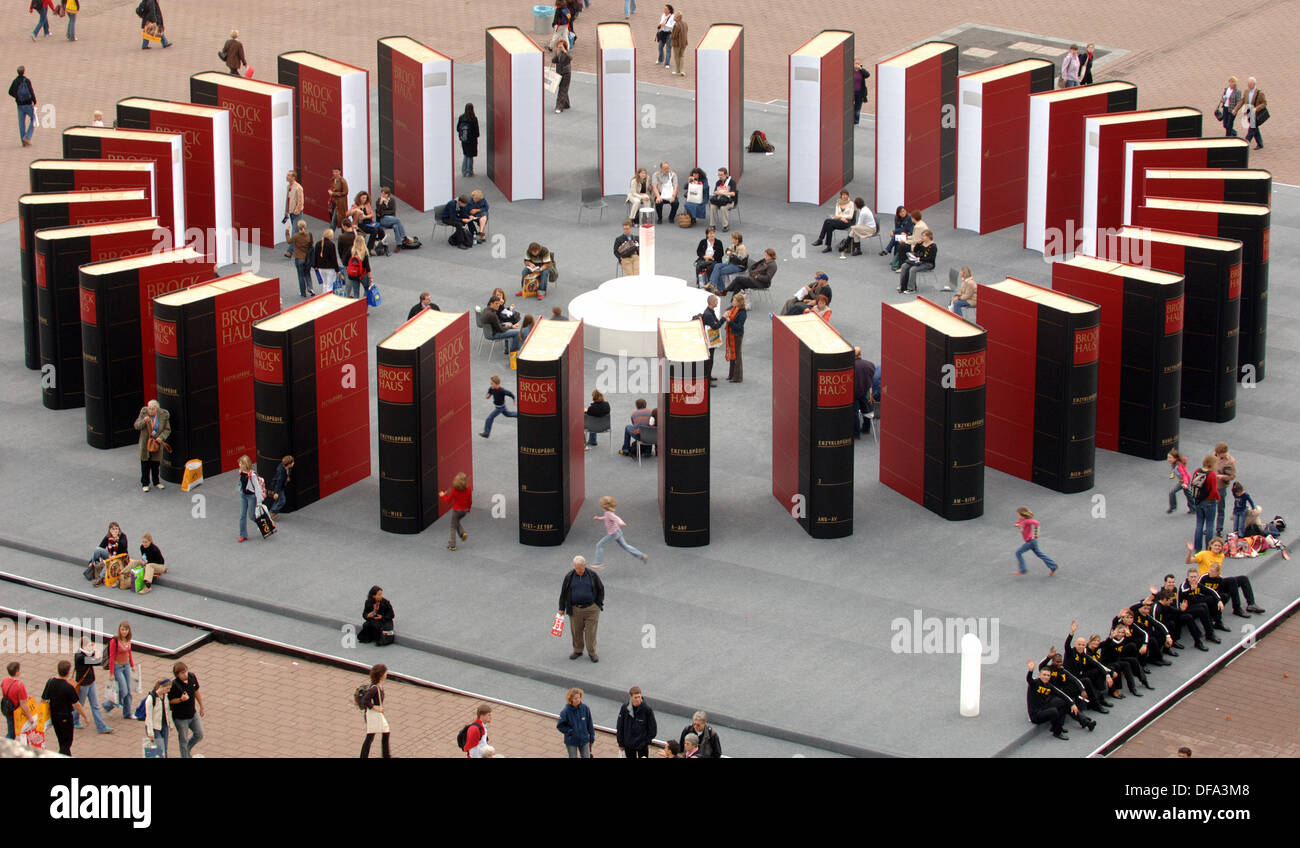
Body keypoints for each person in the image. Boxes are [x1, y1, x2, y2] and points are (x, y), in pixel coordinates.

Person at [1026, 660, 1087, 740]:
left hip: (1043, 708)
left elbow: (1061, 694)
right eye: (1044, 675)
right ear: (1039, 675)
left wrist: (1072, 704)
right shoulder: (1034, 683)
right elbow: (1029, 679)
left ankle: (1059, 726)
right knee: (1053, 711)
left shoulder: (1049, 686)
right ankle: (1057, 733)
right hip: (1035, 714)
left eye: (1048, 675)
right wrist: (1030, 671)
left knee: (1063, 702)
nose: (1046, 677)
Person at [559, 556, 604, 662]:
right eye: (575, 567)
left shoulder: (592, 575)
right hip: (575, 609)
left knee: (591, 633)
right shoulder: (569, 576)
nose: (577, 570)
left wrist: (598, 604)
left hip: (591, 609)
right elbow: (563, 593)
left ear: (584, 566)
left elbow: (600, 589)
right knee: (576, 631)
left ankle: (592, 652)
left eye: (579, 568)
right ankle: (578, 650)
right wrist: (561, 608)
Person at [42, 660, 89, 756]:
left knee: (61, 741)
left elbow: (44, 699)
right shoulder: (68, 687)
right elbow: (77, 705)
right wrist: (85, 717)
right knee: (66, 743)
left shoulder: (50, 682)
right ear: (68, 672)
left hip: (54, 717)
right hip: (65, 718)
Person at [73, 637, 113, 734]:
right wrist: (96, 651)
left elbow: (92, 657)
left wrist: (93, 651)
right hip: (83, 685)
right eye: (87, 646)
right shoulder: (80, 657)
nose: (89, 647)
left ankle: (101, 727)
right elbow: (97, 661)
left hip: (91, 682)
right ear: (82, 646)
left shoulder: (85, 654)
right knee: (80, 705)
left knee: (95, 705)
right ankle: (74, 720)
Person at [593, 495, 648, 566]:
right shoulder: (608, 513)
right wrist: (599, 518)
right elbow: (606, 518)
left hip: (613, 534)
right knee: (626, 546)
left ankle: (598, 563)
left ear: (604, 506)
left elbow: (616, 518)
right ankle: (642, 556)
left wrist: (621, 522)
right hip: (617, 531)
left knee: (599, 545)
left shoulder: (609, 513)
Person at [168, 661, 204, 758]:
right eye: (182, 673)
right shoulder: (174, 685)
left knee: (199, 734)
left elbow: (196, 691)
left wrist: (201, 706)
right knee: (183, 740)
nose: (185, 674)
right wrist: (180, 699)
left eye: (186, 671)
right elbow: (170, 701)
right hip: (180, 718)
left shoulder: (192, 677)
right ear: (177, 674)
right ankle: (185, 755)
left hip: (193, 714)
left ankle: (187, 749)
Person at [134, 399, 170, 492]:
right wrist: (143, 421)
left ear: (157, 409)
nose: (150, 411)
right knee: (145, 464)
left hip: (156, 444)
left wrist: (161, 438)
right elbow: (136, 426)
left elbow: (167, 429)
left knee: (155, 464)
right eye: (149, 408)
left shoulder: (163, 415)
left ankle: (156, 482)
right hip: (145, 444)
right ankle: (145, 483)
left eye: (152, 409)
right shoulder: (144, 413)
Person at [1014, 506, 1058, 575]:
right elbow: (1017, 523)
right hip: (1032, 541)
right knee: (1040, 554)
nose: (1018, 516)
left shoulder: (1027, 521)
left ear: (1023, 515)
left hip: (1031, 541)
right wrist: (1017, 525)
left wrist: (1036, 534)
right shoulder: (1022, 521)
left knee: (1018, 553)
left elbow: (1036, 523)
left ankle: (1023, 570)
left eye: (1018, 515)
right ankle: (1053, 566)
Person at [616, 686, 658, 758]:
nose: (638, 699)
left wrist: (645, 742)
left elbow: (653, 729)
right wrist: (621, 743)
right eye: (635, 697)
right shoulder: (625, 708)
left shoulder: (647, 710)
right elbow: (620, 726)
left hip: (642, 746)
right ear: (631, 697)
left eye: (639, 697)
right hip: (628, 745)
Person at [359, 664, 390, 758]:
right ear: (381, 674)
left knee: (384, 732)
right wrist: (376, 708)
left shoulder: (378, 685)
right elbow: (365, 701)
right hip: (374, 715)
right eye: (385, 672)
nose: (386, 674)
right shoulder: (374, 688)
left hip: (376, 715)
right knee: (371, 736)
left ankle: (386, 755)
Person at [1189, 454, 1219, 551]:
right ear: (1212, 464)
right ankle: (1209, 548)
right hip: (1209, 502)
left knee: (1199, 524)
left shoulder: (1197, 471)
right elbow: (1214, 491)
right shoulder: (1212, 475)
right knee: (1209, 525)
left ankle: (1197, 548)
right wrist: (1218, 498)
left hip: (1198, 501)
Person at [107, 621, 135, 720]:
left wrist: (132, 665)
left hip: (126, 665)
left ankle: (127, 713)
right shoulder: (114, 641)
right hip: (117, 667)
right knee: (123, 690)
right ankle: (108, 705)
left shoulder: (128, 639)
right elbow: (111, 657)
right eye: (122, 629)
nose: (124, 632)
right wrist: (111, 673)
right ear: (119, 629)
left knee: (129, 692)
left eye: (126, 630)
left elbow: (129, 652)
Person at [557, 687, 595, 757]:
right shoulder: (565, 711)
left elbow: (589, 723)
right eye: (575, 698)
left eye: (579, 697)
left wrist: (592, 736)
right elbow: (560, 726)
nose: (578, 700)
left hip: (584, 740)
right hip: (571, 741)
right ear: (571, 699)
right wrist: (570, 731)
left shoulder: (585, 708)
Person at [375, 186, 416, 251]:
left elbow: (393, 211)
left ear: (388, 194)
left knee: (396, 226)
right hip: (383, 220)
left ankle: (398, 244)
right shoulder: (378, 201)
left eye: (384, 194)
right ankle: (404, 237)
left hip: (392, 220)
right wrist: (380, 204)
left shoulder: (392, 200)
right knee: (398, 220)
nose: (382, 195)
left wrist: (384, 212)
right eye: (382, 194)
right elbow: (379, 213)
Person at [439, 472, 472, 551]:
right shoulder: (469, 489)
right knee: (456, 522)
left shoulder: (454, 490)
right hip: (464, 510)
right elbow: (470, 501)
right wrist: (469, 509)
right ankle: (462, 533)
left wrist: (442, 495)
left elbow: (448, 500)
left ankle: (452, 545)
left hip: (457, 511)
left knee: (452, 526)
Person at [897, 229, 937, 293]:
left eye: (924, 236)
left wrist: (920, 259)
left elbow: (931, 259)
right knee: (904, 266)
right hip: (918, 261)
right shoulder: (922, 243)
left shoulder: (933, 247)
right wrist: (918, 244)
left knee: (913, 269)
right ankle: (902, 285)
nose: (922, 238)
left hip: (928, 263)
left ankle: (911, 288)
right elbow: (915, 250)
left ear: (928, 237)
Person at [1211, 442, 1237, 538]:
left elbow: (1232, 476)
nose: (1217, 456)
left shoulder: (1230, 461)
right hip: (1211, 486)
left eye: (1219, 454)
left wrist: (1222, 476)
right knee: (1210, 507)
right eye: (1216, 454)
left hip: (1221, 486)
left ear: (1224, 452)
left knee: (1220, 508)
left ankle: (1219, 529)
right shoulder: (1213, 456)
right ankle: (1209, 526)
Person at [1233, 77, 1266, 150]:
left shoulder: (1260, 93)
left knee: (1251, 129)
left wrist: (1256, 108)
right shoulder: (1246, 91)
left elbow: (1264, 103)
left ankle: (1246, 143)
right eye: (1248, 84)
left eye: (1250, 84)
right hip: (1248, 113)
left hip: (1255, 113)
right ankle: (1260, 144)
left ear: (1254, 84)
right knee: (1255, 128)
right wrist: (1236, 109)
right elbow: (1242, 101)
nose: (1248, 85)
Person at [143, 678, 173, 757]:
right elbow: (148, 717)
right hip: (154, 727)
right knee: (159, 749)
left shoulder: (165, 696)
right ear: (161, 687)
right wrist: (150, 732)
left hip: (164, 725)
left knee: (164, 748)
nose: (169, 690)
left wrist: (171, 723)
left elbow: (168, 710)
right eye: (167, 688)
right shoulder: (151, 699)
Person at [698, 295, 723, 385]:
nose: (717, 302)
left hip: (710, 340)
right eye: (716, 301)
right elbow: (715, 325)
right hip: (709, 341)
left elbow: (716, 321)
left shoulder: (710, 311)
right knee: (709, 360)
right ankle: (707, 379)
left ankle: (709, 376)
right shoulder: (708, 314)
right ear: (712, 303)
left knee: (710, 359)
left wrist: (717, 322)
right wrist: (723, 319)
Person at [723, 291, 747, 383]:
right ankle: (731, 374)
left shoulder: (742, 313)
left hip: (737, 335)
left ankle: (738, 377)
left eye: (734, 300)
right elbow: (728, 309)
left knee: (737, 355)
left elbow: (739, 327)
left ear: (739, 302)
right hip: (732, 334)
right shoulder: (734, 308)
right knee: (733, 353)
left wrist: (729, 321)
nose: (732, 301)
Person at [852, 347, 875, 438]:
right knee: (866, 411)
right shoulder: (870, 365)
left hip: (854, 393)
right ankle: (866, 429)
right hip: (865, 391)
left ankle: (856, 434)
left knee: (855, 413)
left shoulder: (851, 365)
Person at [235, 454, 259, 542]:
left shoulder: (252, 475)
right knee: (242, 515)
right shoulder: (240, 472)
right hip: (243, 495)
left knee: (251, 516)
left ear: (246, 464)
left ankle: (263, 524)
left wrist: (259, 502)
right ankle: (243, 535)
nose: (239, 465)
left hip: (252, 497)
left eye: (241, 463)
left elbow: (258, 489)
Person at [3, 662, 29, 740]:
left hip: (7, 709)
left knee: (10, 727)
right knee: (11, 734)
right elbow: (23, 704)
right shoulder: (19, 685)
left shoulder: (4, 680)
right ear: (17, 672)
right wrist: (30, 717)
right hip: (15, 711)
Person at [281, 170, 304, 257]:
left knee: (294, 232)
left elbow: (301, 201)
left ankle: (289, 251)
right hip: (291, 212)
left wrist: (296, 211)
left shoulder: (298, 187)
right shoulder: (288, 186)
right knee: (297, 231)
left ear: (293, 177)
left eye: (289, 176)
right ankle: (301, 247)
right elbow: (288, 200)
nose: (287, 177)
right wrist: (286, 211)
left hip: (297, 213)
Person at [289, 219, 313, 297]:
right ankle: (310, 288)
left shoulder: (296, 236)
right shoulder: (309, 235)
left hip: (299, 258)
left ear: (298, 227)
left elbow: (289, 241)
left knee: (301, 275)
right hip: (307, 257)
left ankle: (303, 292)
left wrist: (286, 232)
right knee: (307, 273)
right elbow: (311, 245)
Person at [1166, 449, 1193, 514]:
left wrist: (1185, 484)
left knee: (1172, 492)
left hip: (1184, 481)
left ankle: (1173, 507)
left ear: (1175, 458)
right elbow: (1184, 459)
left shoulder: (1178, 466)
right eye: (1168, 457)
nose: (1168, 459)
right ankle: (1193, 508)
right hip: (1183, 480)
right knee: (1188, 494)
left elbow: (1184, 476)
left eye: (1170, 457)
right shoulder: (1175, 463)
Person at [457, 104, 480, 177]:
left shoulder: (461, 117)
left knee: (465, 155)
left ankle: (464, 172)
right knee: (470, 156)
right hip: (472, 140)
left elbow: (458, 128)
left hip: (464, 140)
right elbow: (477, 132)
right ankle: (470, 172)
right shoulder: (474, 118)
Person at [553, 40, 572, 114]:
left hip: (566, 73)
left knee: (562, 89)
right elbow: (553, 61)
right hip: (559, 73)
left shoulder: (567, 52)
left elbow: (570, 58)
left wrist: (564, 51)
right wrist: (557, 54)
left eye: (561, 46)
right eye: (558, 46)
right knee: (563, 88)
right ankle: (566, 104)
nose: (560, 48)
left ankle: (559, 107)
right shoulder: (558, 53)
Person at [852, 59, 871, 124]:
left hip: (860, 92)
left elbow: (867, 75)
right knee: (851, 107)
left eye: (858, 63)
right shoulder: (851, 70)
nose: (857, 65)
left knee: (858, 107)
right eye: (856, 63)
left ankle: (856, 120)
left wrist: (861, 69)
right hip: (852, 92)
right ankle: (851, 118)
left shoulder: (862, 71)